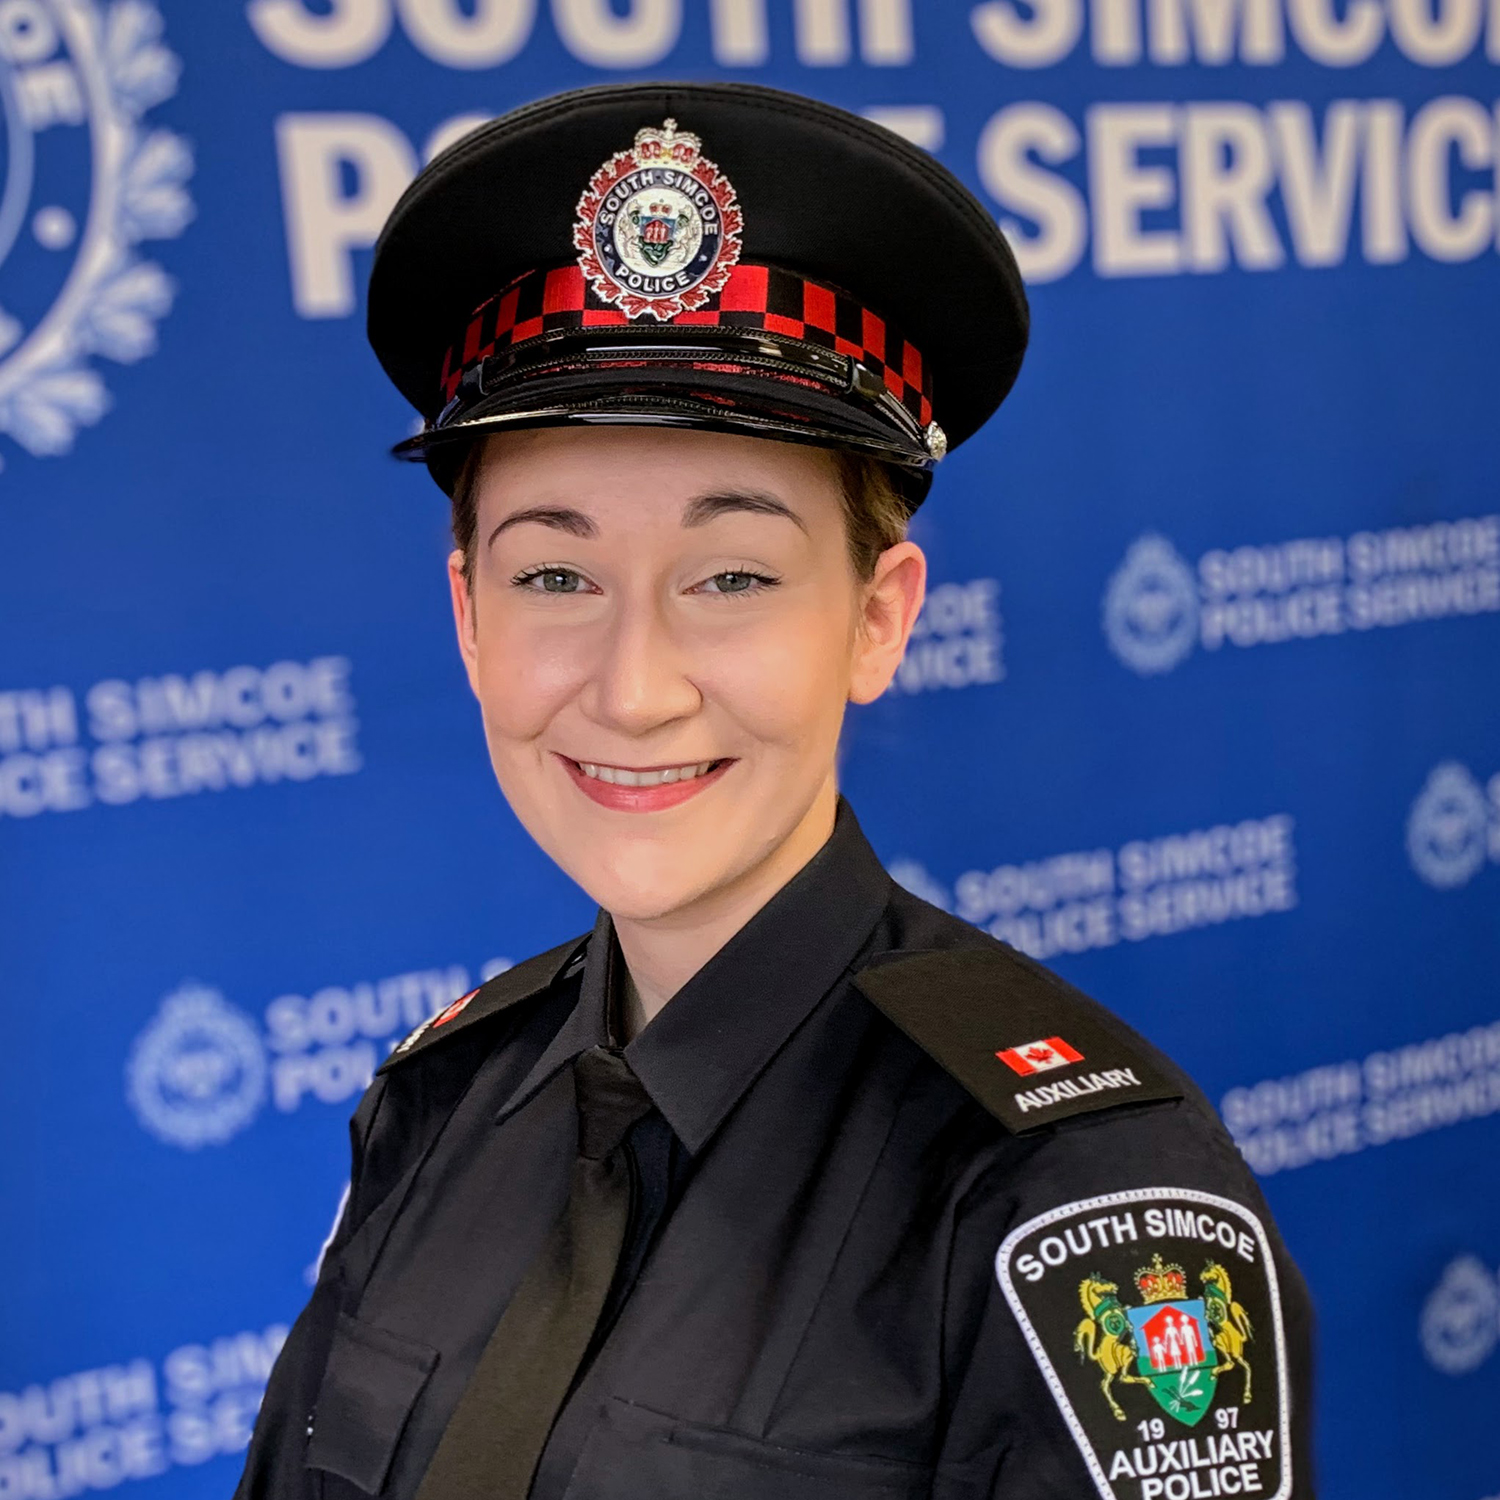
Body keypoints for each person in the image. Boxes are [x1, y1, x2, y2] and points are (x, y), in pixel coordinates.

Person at [236, 81, 1315, 1500]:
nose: (635, 687)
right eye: (555, 573)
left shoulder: (1077, 1203)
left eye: (733, 577)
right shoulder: (439, 1101)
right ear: (469, 619)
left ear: (877, 619)